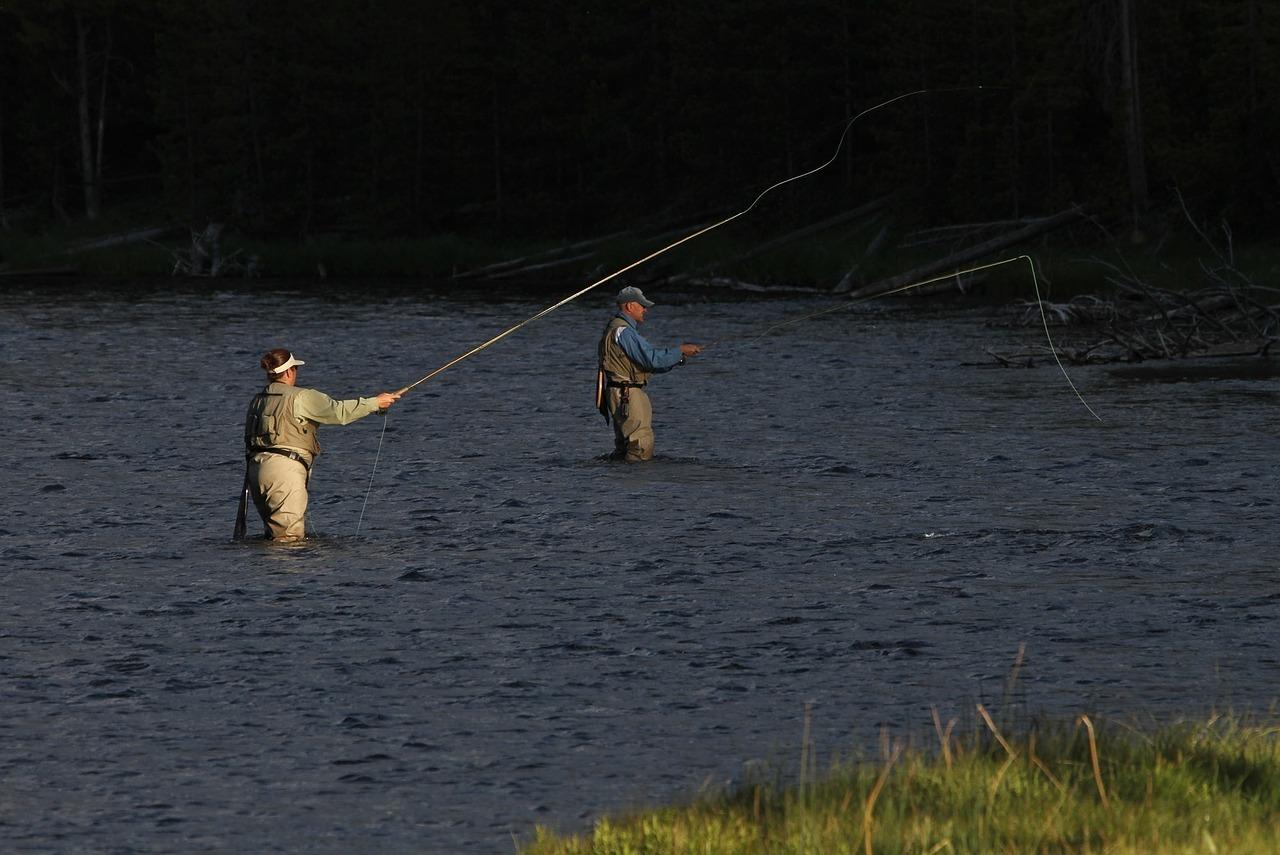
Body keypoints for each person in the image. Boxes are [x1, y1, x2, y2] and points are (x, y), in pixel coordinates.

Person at [237, 349, 401, 541]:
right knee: (288, 541)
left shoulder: (257, 400)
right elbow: (338, 412)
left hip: (256, 472)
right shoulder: (302, 397)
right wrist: (375, 403)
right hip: (284, 472)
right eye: (296, 369)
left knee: (274, 538)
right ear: (290, 371)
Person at [596, 286, 701, 462]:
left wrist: (678, 357)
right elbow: (652, 360)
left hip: (622, 392)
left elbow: (650, 363)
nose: (645, 309)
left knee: (626, 448)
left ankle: (620, 482)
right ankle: (637, 486)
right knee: (641, 445)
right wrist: (680, 350)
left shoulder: (617, 329)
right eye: (642, 305)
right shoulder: (624, 332)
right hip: (627, 394)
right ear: (629, 306)